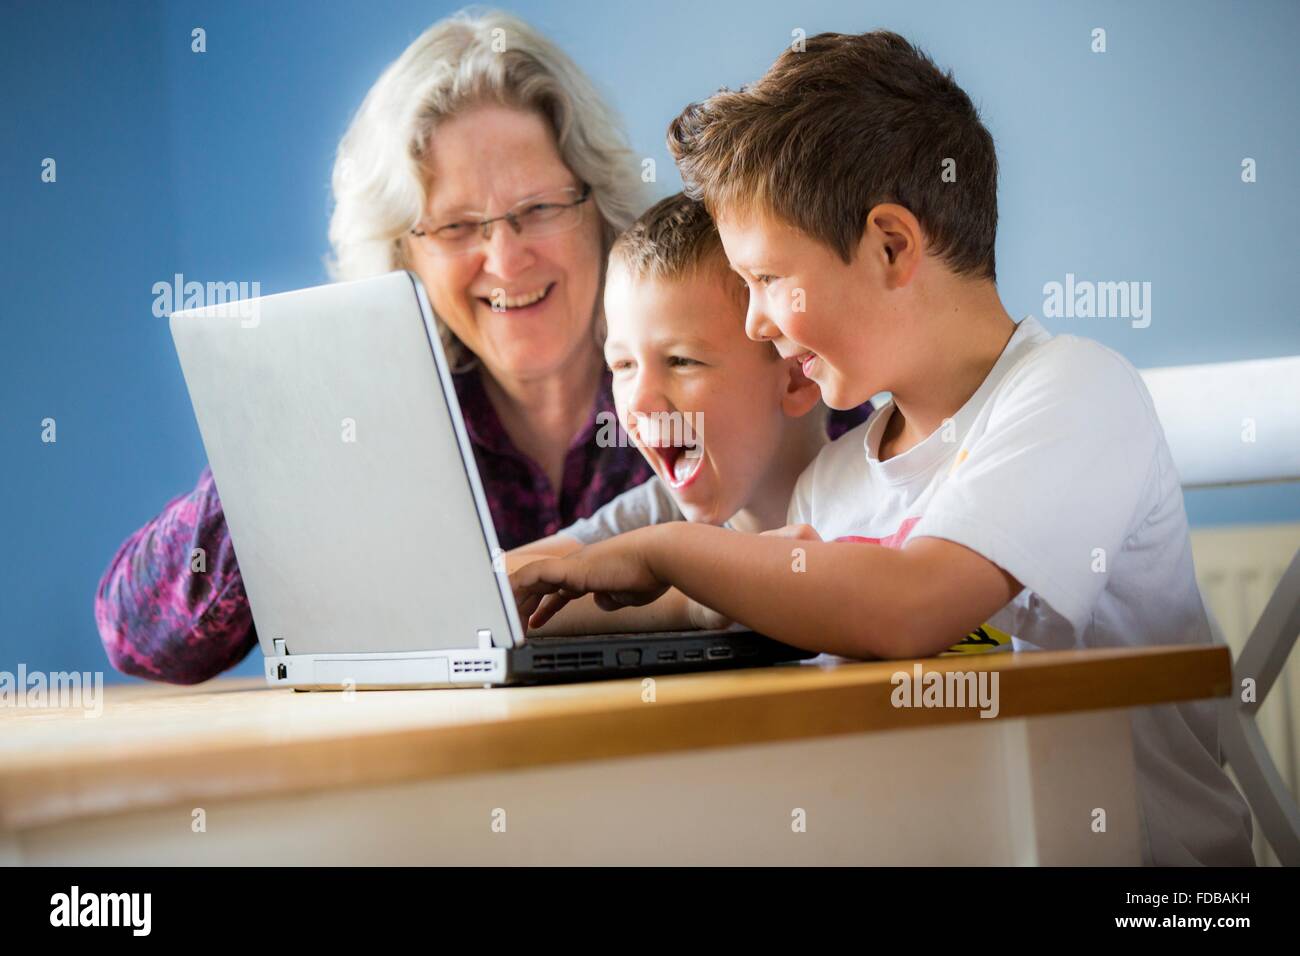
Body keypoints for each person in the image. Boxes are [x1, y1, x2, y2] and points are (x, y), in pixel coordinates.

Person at [510, 30, 1255, 865]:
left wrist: (663, 549)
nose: (756, 321)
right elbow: (738, 595)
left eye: (765, 280)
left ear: (892, 246)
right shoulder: (835, 477)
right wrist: (516, 593)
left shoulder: (1077, 390)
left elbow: (913, 604)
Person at [95, 11, 866, 685]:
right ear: (406, 257)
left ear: (596, 208)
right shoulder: (372, 421)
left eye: (537, 209)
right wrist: (284, 445)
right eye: (458, 226)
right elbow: (142, 640)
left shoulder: (742, 367)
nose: (505, 259)